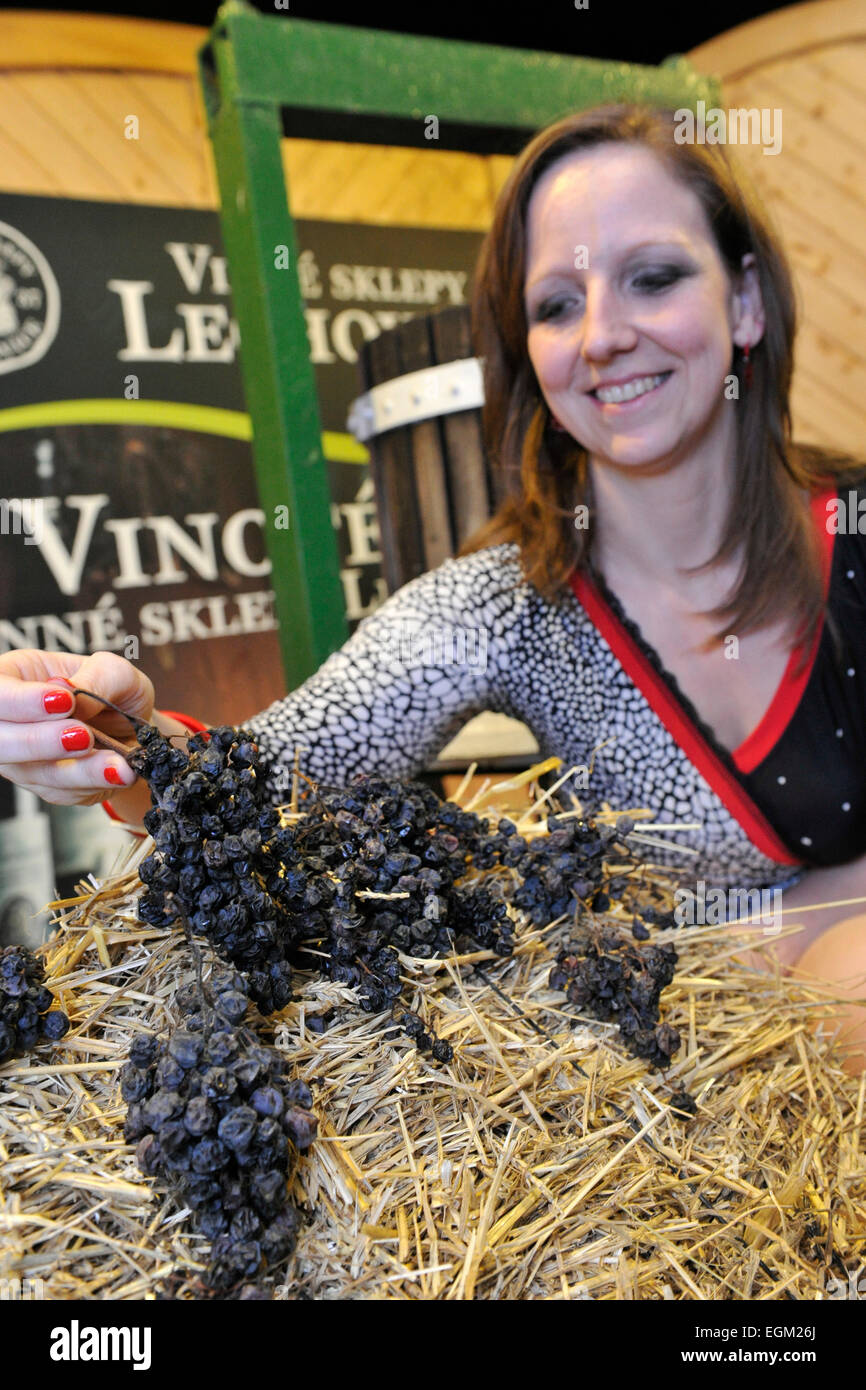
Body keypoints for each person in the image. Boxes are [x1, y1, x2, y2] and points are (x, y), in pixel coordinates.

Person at [1, 104, 864, 1066]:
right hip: (710, 1078)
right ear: (527, 354)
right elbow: (279, 766)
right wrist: (112, 734)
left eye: (652, 279)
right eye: (556, 305)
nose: (605, 335)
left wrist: (808, 951)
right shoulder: (506, 605)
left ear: (745, 301)